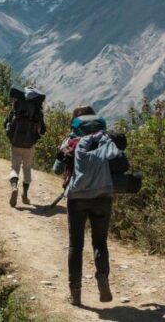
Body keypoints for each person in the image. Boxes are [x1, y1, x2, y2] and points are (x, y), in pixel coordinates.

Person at [55, 105, 117, 306]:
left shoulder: (70, 141)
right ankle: (102, 279)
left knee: (76, 244)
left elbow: (57, 169)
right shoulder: (105, 139)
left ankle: (76, 293)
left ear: (76, 122)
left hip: (77, 198)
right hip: (103, 196)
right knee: (100, 242)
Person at [3, 87, 46, 207]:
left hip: (15, 142)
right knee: (27, 168)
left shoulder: (16, 107)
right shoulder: (38, 111)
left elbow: (5, 123)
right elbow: (43, 130)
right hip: (29, 144)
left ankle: (14, 187)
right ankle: (25, 195)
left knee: (14, 168)